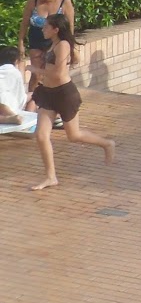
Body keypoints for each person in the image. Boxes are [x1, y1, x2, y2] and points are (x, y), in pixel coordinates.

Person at [28, 13, 115, 190]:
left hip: (64, 94)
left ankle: (107, 143)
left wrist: (35, 69)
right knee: (41, 135)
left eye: (45, 27)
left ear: (55, 29)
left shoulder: (63, 45)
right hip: (47, 93)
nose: (42, 29)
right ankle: (50, 176)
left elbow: (59, 73)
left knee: (73, 135)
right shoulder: (52, 44)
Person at [21, 0, 74, 93]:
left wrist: (71, 47)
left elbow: (70, 26)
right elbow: (24, 22)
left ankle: (50, 97)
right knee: (36, 74)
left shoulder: (64, 1)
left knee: (53, 72)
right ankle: (32, 99)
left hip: (56, 41)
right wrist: (20, 42)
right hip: (36, 39)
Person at [0, 44, 33, 133]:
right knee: (34, 94)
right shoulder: (15, 72)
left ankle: (9, 118)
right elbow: (20, 95)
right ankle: (19, 118)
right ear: (16, 60)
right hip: (7, 104)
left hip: (3, 105)